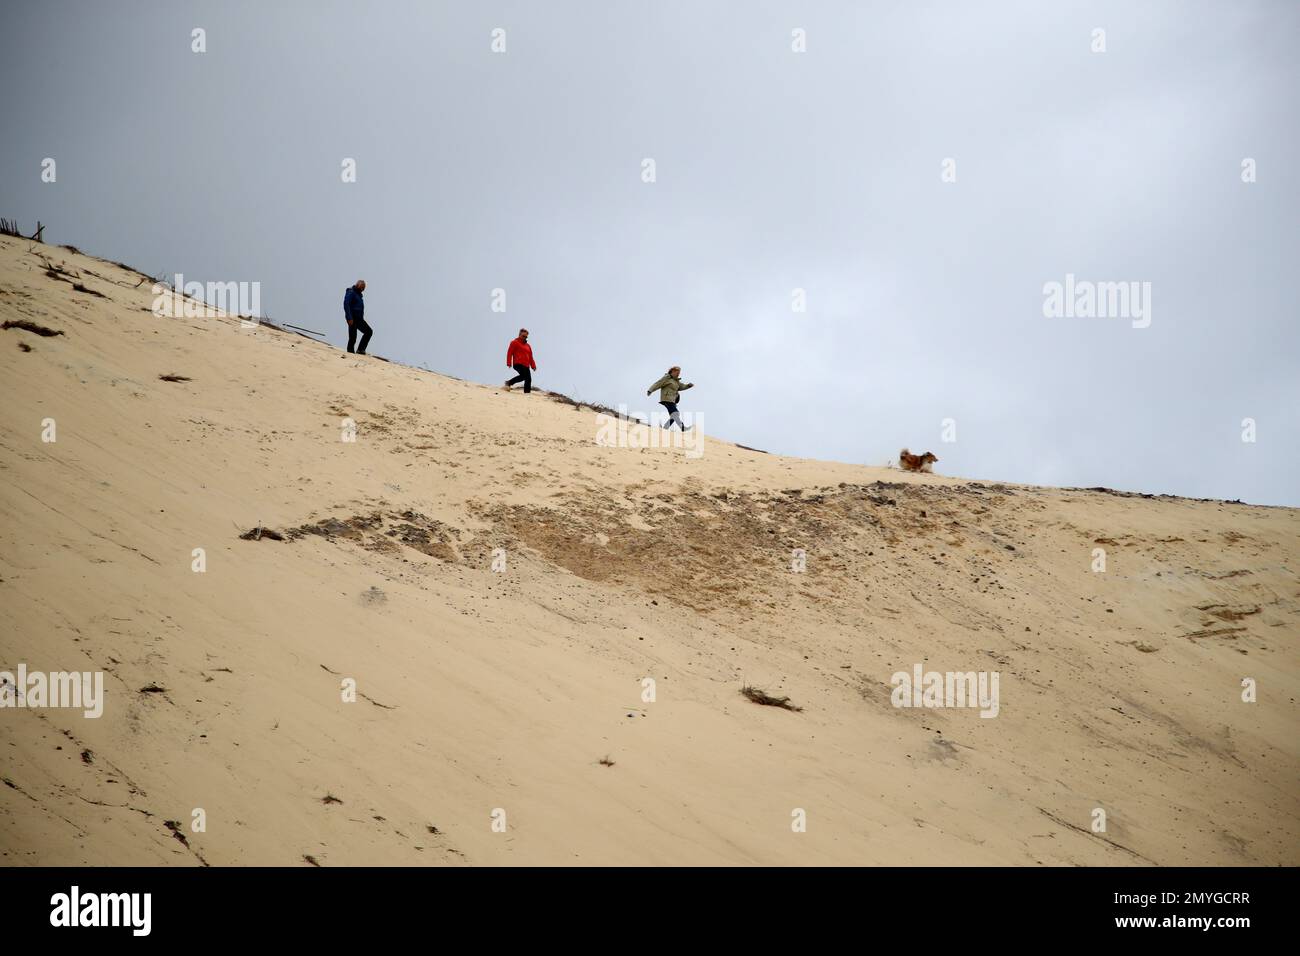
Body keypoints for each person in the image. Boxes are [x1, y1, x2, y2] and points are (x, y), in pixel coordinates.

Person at [504, 328, 537, 393]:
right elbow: (509, 352)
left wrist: (533, 366)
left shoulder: (528, 346)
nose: (524, 338)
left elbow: (530, 357)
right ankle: (509, 383)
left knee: (528, 379)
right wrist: (509, 363)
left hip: (526, 365)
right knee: (525, 376)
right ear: (519, 335)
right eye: (523, 336)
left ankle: (527, 393)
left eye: (526, 337)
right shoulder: (514, 342)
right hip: (518, 363)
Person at [344, 280, 371, 354]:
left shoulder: (359, 295)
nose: (363, 289)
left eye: (364, 288)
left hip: (359, 319)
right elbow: (346, 304)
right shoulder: (351, 292)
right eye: (362, 287)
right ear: (358, 285)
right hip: (353, 318)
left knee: (368, 332)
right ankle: (350, 353)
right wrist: (349, 318)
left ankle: (360, 349)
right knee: (353, 338)